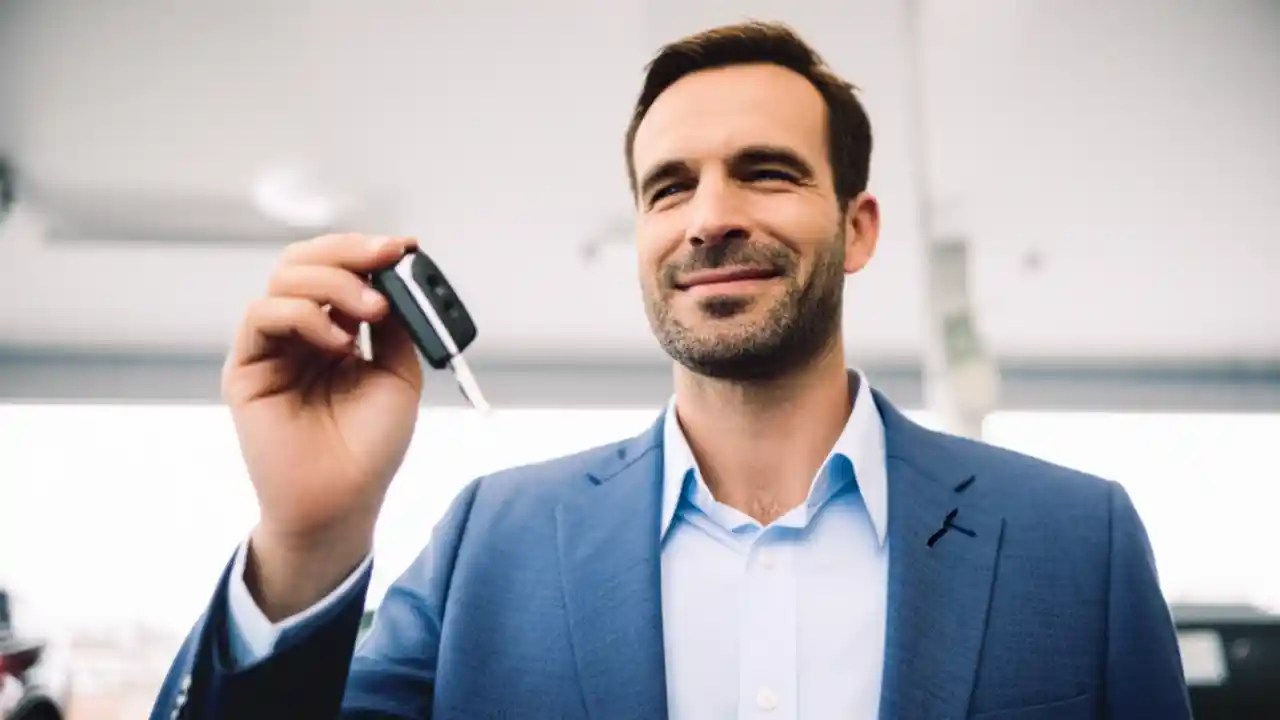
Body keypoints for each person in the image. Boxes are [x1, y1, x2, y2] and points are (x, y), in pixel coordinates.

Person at [151, 21, 1190, 720]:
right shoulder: (490, 543)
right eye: (667, 188)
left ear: (856, 227)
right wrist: (308, 536)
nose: (708, 217)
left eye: (765, 172)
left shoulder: (1073, 543)